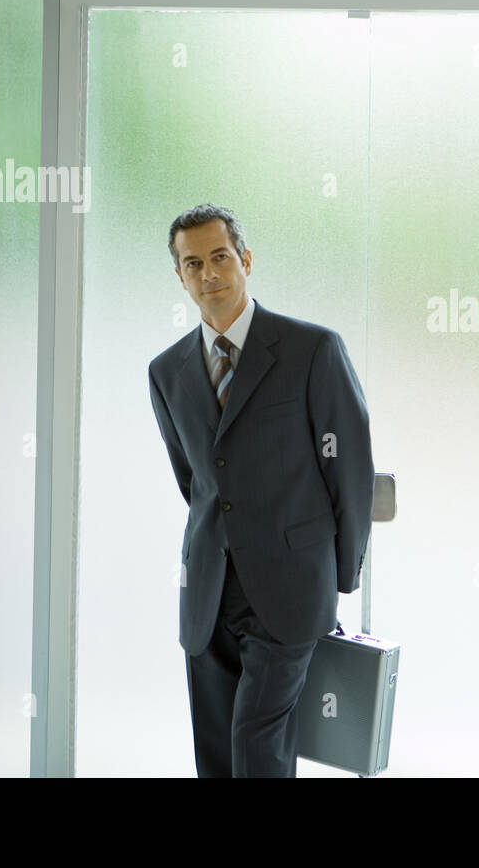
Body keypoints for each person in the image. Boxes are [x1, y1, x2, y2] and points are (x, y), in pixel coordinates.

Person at [147, 203, 374, 777]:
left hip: (290, 589)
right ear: (180, 277)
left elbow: (347, 472)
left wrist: (340, 577)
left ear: (245, 259)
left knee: (256, 744)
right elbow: (194, 480)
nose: (208, 274)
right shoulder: (167, 371)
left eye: (220, 257)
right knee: (218, 752)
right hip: (208, 593)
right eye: (192, 264)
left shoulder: (312, 351)